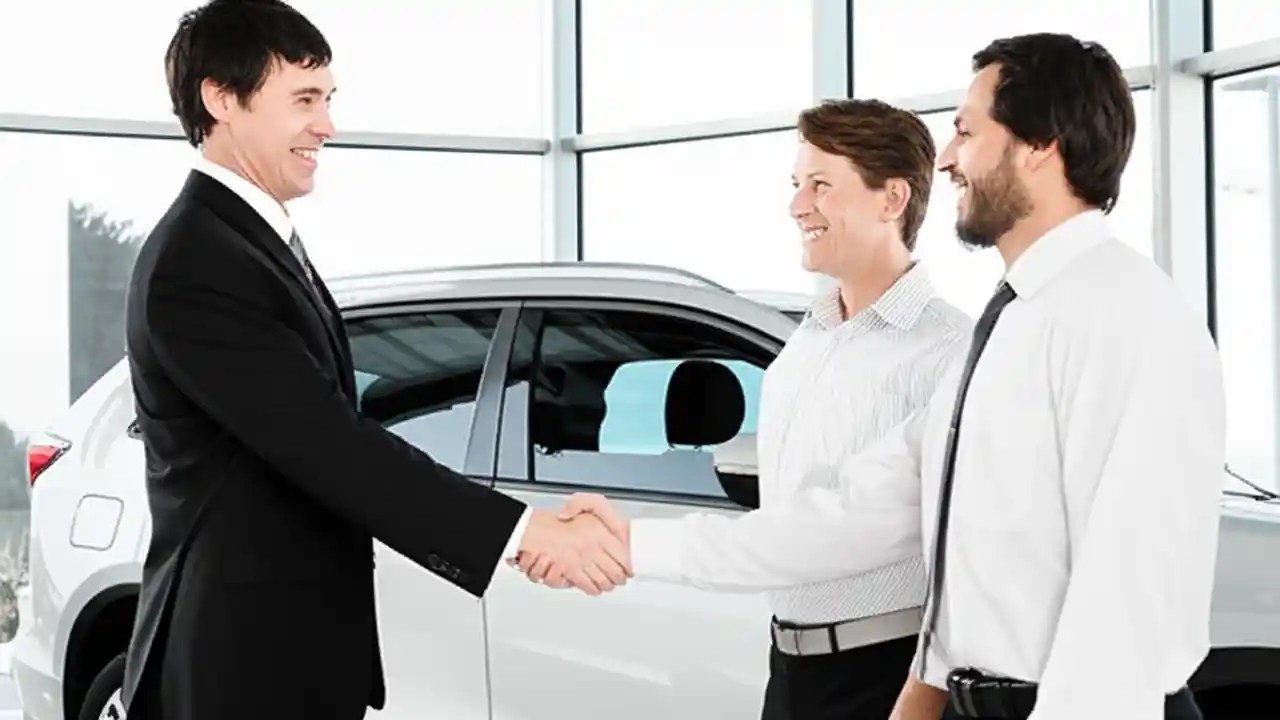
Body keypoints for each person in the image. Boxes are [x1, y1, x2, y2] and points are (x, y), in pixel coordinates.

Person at [542, 33, 1226, 720]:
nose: (950, 157)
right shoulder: (1010, 322)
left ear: (1040, 144)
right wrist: (634, 543)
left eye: (966, 131)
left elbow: (1128, 606)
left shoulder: (1126, 314)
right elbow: (862, 512)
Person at [121, 2, 628, 719]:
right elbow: (327, 443)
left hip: (284, 650)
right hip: (242, 662)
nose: (326, 125)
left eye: (328, 100)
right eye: (304, 100)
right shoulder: (198, 261)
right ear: (222, 99)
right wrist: (526, 532)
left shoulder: (247, 242)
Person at [530, 98, 973, 719]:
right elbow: (786, 499)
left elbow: (848, 529)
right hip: (790, 671)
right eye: (797, 185)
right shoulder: (807, 343)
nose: (797, 206)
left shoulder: (953, 353)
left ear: (891, 199)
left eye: (821, 185)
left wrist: (633, 544)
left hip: (889, 676)